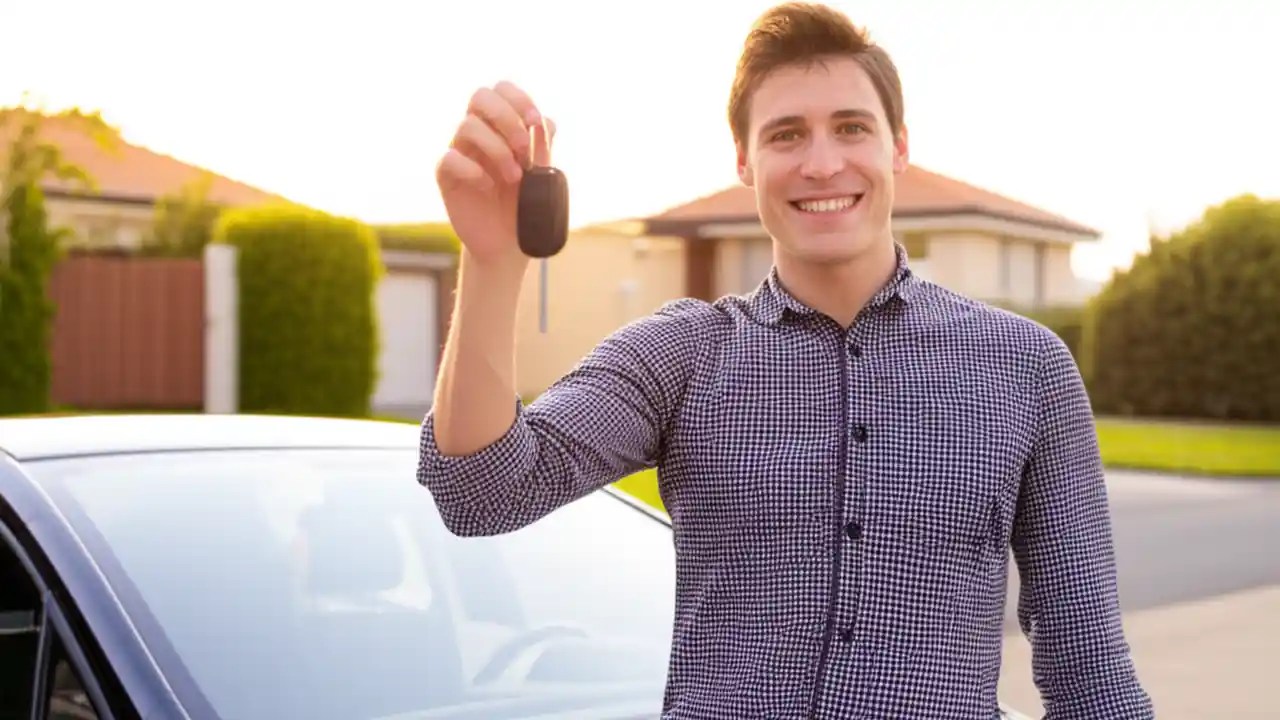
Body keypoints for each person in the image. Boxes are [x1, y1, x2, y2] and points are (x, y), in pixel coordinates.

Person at [418, 2, 1155, 718]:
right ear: (745, 159)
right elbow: (483, 492)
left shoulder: (1027, 369)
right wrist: (491, 262)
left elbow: (1089, 675)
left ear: (898, 145)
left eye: (851, 128)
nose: (822, 163)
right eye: (786, 135)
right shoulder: (683, 354)